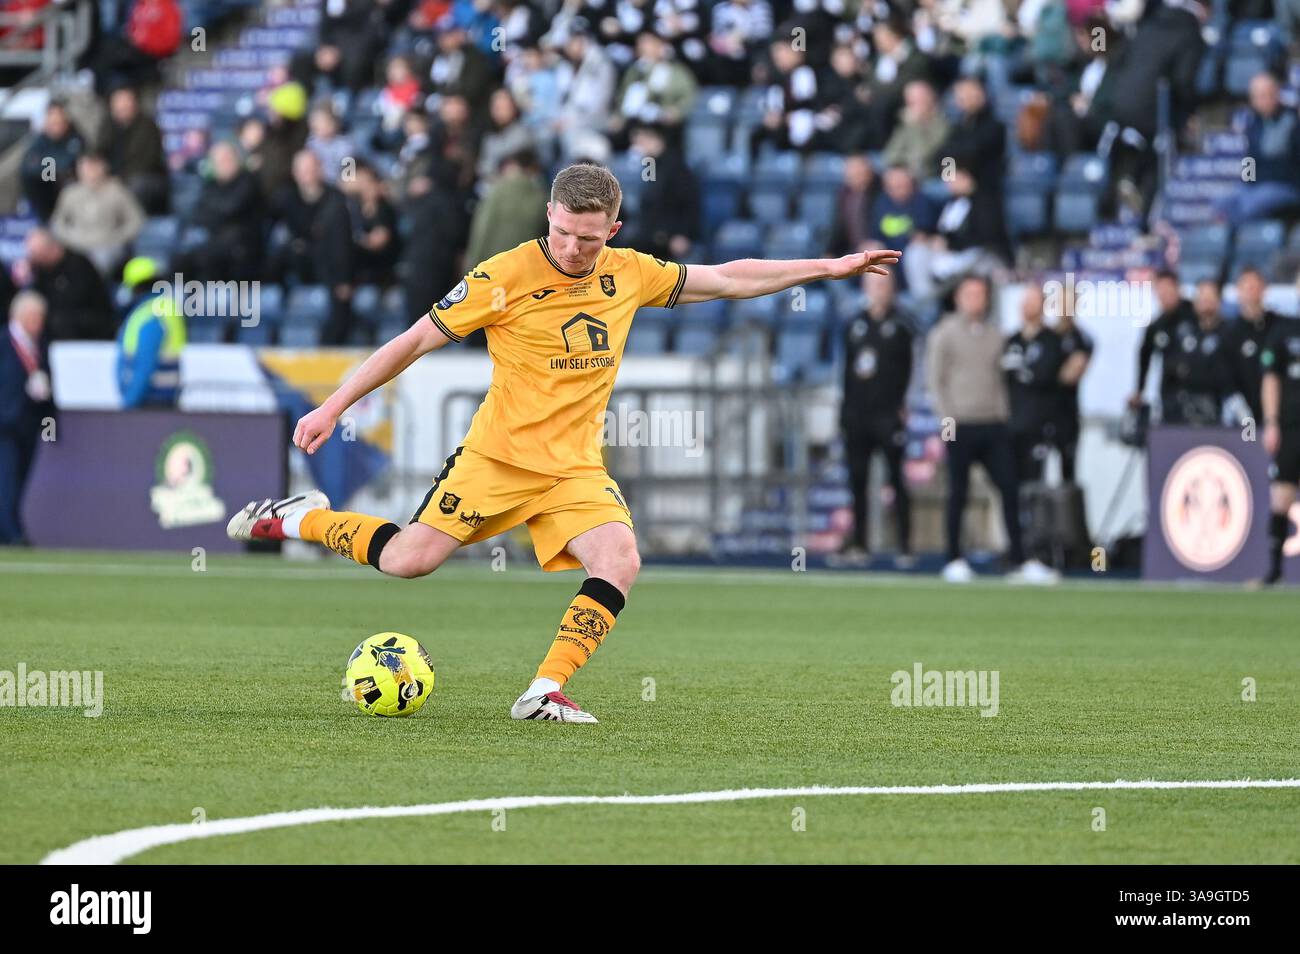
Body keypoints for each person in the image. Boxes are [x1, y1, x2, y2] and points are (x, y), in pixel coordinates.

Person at [226, 163, 902, 723]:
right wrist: (334, 406)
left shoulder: (629, 272)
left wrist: (829, 267)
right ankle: (301, 517)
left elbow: (728, 277)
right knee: (408, 561)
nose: (575, 250)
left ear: (613, 230)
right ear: (548, 214)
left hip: (574, 469)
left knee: (620, 559)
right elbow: (413, 341)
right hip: (496, 459)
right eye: (564, 233)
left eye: (589, 238)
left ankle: (543, 690)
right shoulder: (503, 276)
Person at [925, 275, 1058, 584]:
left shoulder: (997, 335)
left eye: (981, 294)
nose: (976, 299)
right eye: (970, 293)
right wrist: (947, 423)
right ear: (958, 298)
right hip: (959, 423)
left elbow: (1002, 380)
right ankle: (953, 558)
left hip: (993, 424)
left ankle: (1019, 559)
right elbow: (935, 381)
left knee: (1009, 489)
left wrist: (1004, 417)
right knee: (958, 491)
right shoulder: (944, 333)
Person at [835, 268, 913, 566]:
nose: (879, 289)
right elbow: (845, 371)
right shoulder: (854, 324)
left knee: (896, 480)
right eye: (874, 284)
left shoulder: (902, 326)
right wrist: (844, 409)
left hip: (888, 414)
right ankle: (860, 544)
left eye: (884, 283)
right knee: (858, 480)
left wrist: (904, 405)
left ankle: (905, 545)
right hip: (857, 414)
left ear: (892, 287)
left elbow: (910, 369)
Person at [0, 290, 53, 544]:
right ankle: (12, 533)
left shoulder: (41, 344)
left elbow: (49, 387)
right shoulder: (3, 342)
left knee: (20, 478)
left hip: (29, 423)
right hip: (4, 426)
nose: (38, 322)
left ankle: (9, 530)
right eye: (33, 317)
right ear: (18, 316)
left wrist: (50, 426)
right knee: (7, 479)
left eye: (40, 317)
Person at [1004, 286, 1064, 485]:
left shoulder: (1052, 341)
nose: (1027, 306)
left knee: (1034, 482)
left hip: (1038, 424)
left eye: (1033, 301)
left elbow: (1045, 377)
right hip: (1011, 423)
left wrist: (1023, 371)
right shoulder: (1011, 341)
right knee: (1010, 482)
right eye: (1025, 301)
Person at [1158, 279, 1233, 426]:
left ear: (1219, 301)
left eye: (1210, 297)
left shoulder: (1230, 333)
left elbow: (1226, 374)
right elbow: (1172, 367)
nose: (1206, 302)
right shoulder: (1183, 331)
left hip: (1219, 411)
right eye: (1202, 297)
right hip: (1181, 410)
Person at [1260, 313, 1300, 584]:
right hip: (1291, 426)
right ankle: (1274, 571)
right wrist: (1271, 421)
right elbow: (1270, 379)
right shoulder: (1284, 331)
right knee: (1281, 497)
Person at [115, 257, 186, 409]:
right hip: (165, 401)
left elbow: (145, 366)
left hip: (149, 404)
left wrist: (129, 403)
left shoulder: (150, 315)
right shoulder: (166, 308)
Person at [1225, 268, 1282, 426]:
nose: (1251, 291)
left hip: (1279, 412)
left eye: (1255, 286)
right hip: (1243, 415)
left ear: (1264, 289)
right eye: (1246, 286)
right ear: (1238, 291)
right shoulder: (1230, 331)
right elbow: (1225, 375)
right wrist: (1238, 407)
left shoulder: (1278, 326)